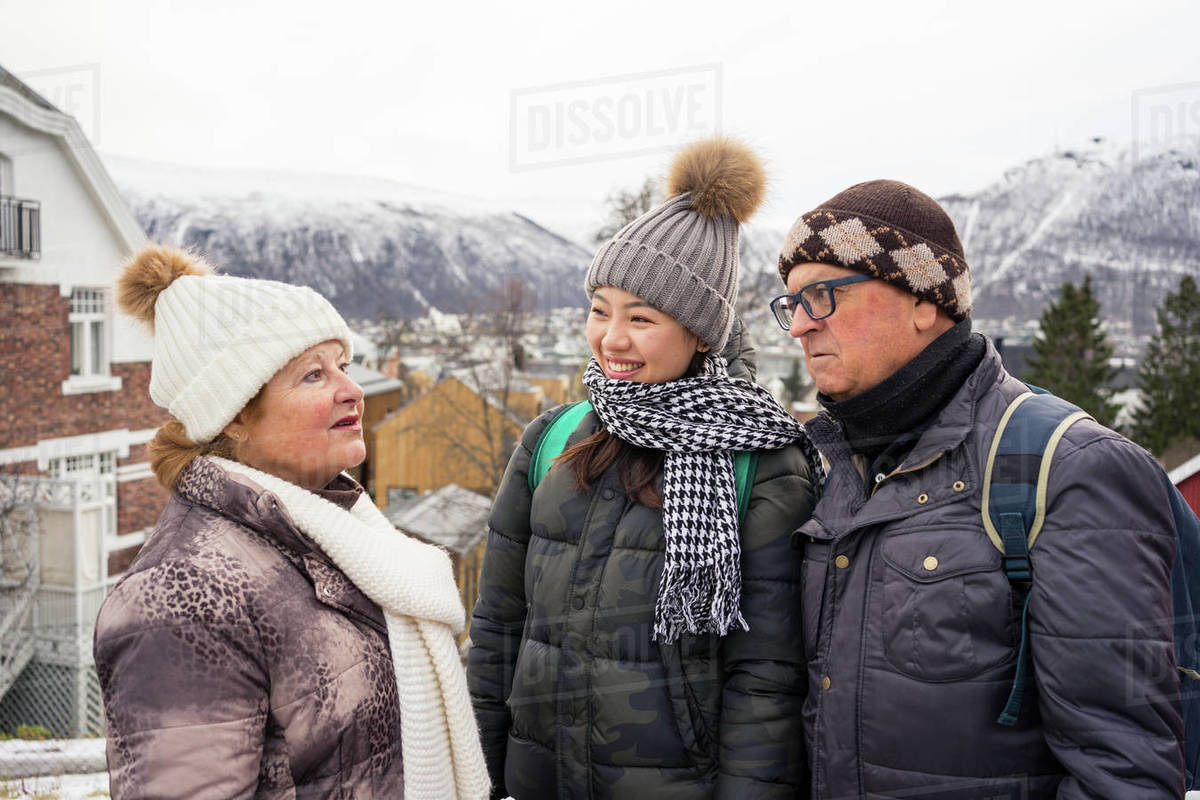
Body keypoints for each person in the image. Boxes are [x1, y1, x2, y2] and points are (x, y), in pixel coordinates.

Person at [772, 179, 1184, 797]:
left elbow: (1123, 773)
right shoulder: (833, 466)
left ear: (925, 302)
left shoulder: (1068, 467)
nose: (800, 326)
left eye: (824, 295)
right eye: (792, 303)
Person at [467, 138, 821, 800]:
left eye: (641, 317)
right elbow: (496, 631)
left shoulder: (760, 461)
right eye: (600, 310)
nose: (612, 338)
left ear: (700, 334)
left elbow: (766, 680)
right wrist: (476, 774)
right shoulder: (554, 439)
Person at [93, 246, 490, 799]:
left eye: (342, 366)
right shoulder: (181, 597)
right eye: (312, 375)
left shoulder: (341, 535)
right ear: (232, 414)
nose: (351, 390)